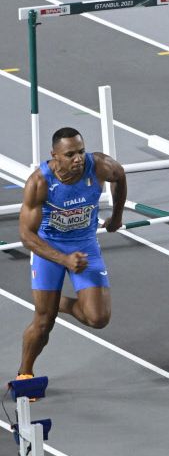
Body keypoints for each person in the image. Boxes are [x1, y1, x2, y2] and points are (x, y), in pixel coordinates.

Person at [16, 127, 126, 382]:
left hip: (85, 245)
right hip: (49, 248)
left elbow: (120, 176)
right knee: (44, 322)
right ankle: (25, 372)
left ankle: (58, 303)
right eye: (70, 155)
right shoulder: (39, 183)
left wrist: (116, 217)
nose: (78, 159)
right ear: (54, 155)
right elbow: (26, 236)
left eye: (81, 152)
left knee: (98, 318)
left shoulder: (98, 166)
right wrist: (63, 259)